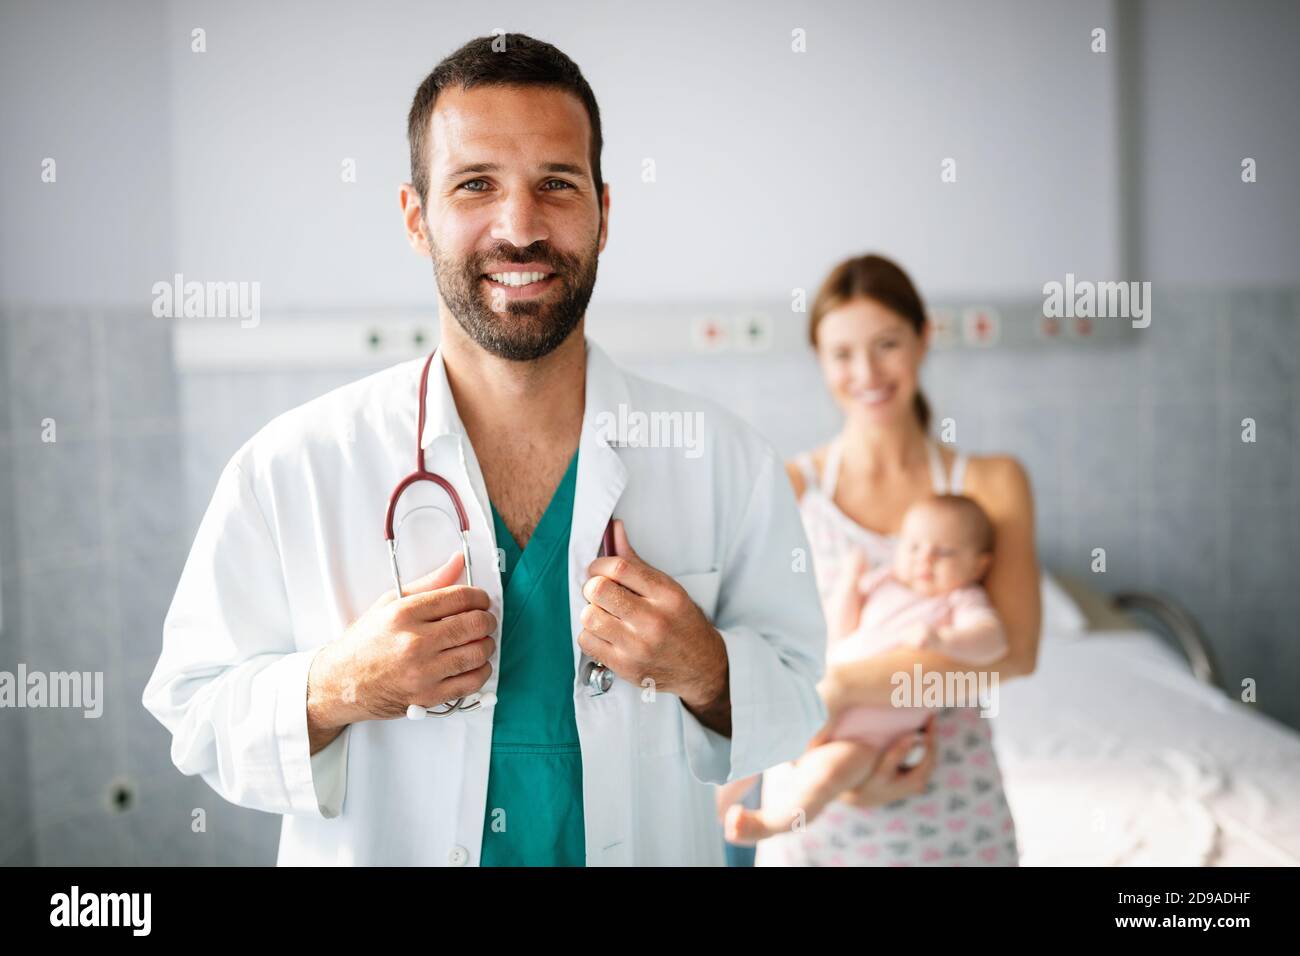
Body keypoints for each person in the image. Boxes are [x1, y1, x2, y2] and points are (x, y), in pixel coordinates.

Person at [142, 34, 825, 867]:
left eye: (557, 185)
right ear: (415, 216)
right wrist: (343, 685)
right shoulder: (293, 467)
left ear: (604, 214)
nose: (520, 228)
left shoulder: (724, 461)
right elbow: (193, 712)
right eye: (476, 185)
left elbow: (800, 695)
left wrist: (707, 670)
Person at [752, 253, 1042, 867]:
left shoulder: (989, 483)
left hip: (952, 802)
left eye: (887, 344)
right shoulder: (790, 487)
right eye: (842, 353)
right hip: (819, 803)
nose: (867, 372)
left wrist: (848, 683)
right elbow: (762, 655)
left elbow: (1013, 656)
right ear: (820, 361)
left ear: (924, 339)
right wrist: (843, 765)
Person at [724, 494, 1006, 844]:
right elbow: (839, 630)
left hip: (870, 740)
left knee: (827, 777)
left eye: (944, 552)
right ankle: (721, 798)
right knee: (757, 741)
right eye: (914, 546)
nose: (925, 559)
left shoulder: (959, 601)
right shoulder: (885, 582)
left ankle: (770, 823)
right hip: (817, 698)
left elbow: (994, 642)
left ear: (979, 566)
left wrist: (946, 640)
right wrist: (849, 584)